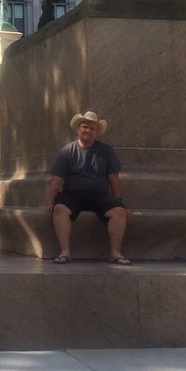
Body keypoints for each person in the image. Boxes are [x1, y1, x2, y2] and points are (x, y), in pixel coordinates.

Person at [43, 110, 130, 265]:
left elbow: (113, 178)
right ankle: (65, 252)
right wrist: (50, 201)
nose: (88, 130)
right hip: (72, 194)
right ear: (78, 129)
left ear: (97, 133)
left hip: (99, 195)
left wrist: (119, 201)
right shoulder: (67, 151)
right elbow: (56, 179)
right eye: (84, 127)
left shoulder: (106, 151)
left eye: (92, 128)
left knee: (120, 212)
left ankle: (115, 253)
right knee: (59, 209)